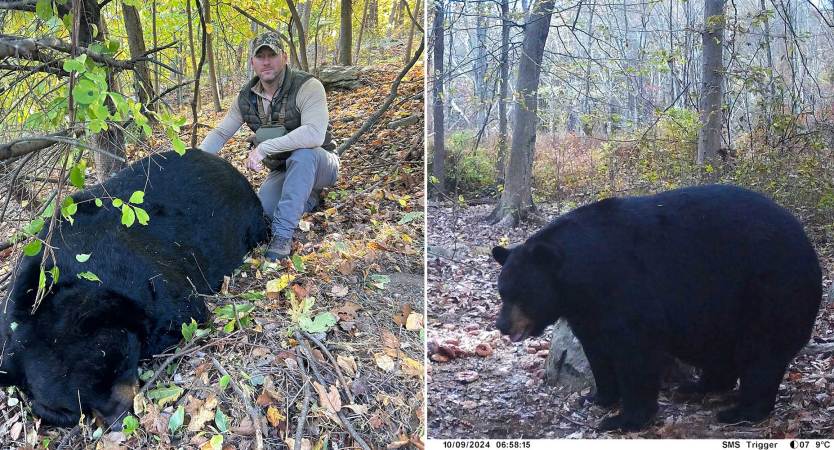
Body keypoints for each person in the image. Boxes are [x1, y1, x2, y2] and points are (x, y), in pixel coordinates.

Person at [199, 32, 339, 261]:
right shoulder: (246, 98)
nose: (266, 62)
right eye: (260, 56)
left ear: (284, 57)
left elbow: (314, 134)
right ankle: (310, 197)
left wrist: (264, 148)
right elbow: (221, 132)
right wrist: (195, 158)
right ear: (252, 62)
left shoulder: (307, 86)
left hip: (321, 163)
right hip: (283, 169)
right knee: (263, 213)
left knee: (303, 155)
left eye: (272, 55)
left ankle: (282, 237)